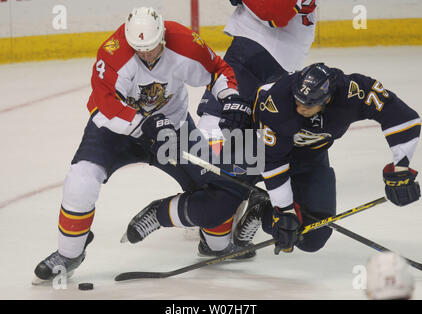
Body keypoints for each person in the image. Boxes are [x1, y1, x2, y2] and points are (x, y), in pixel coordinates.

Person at [33, 7, 253, 283]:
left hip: (174, 129)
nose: (147, 54)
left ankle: (214, 244)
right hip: (117, 133)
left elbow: (217, 72)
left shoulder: (184, 42)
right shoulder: (113, 53)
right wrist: (143, 123)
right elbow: (103, 106)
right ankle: (68, 254)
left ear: (162, 36)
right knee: (80, 180)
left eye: (151, 47)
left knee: (217, 186)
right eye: (140, 49)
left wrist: (230, 96)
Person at [233, 62, 420, 254]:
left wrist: (401, 166)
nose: (300, 108)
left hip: (311, 158)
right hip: (257, 150)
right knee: (220, 200)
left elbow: (401, 116)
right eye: (297, 101)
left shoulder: (353, 92)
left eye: (308, 104)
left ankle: (259, 210)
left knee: (314, 236)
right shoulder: (277, 102)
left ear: (327, 99)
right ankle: (215, 233)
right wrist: (284, 209)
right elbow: (273, 161)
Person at [194, 0, 318, 256]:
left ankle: (222, 207)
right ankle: (234, 205)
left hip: (261, 53)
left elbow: (275, 14)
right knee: (236, 138)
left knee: (215, 133)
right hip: (268, 52)